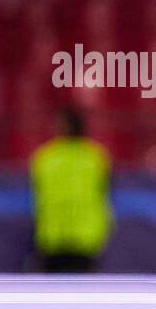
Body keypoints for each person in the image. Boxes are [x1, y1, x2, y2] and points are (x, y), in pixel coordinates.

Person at [29, 108, 112, 272]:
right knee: (86, 293)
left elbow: (36, 192)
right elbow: (106, 193)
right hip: (86, 237)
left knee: (53, 294)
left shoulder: (45, 157)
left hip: (53, 236)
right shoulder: (96, 157)